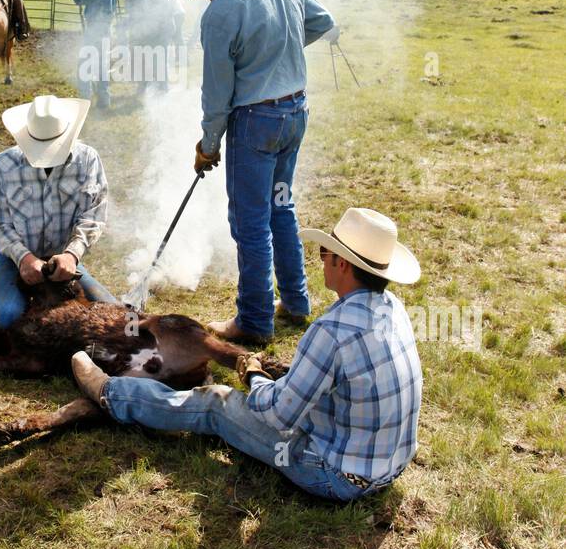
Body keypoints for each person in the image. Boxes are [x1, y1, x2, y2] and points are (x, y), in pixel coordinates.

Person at [71, 207, 422, 502]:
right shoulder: (393, 308)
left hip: (338, 477)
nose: (322, 261)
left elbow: (277, 414)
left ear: (343, 265)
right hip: (388, 465)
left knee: (216, 403)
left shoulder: (332, 331)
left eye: (325, 254)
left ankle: (111, 393)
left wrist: (253, 373)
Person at [166, 0, 338, 344]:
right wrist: (282, 50)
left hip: (256, 123)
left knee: (250, 222)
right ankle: (296, 302)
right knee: (281, 205)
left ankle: (255, 321)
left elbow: (218, 95)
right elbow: (324, 23)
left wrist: (208, 147)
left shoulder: (221, 14)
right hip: (295, 113)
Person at [0, 94, 118, 328]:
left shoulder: (87, 160)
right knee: (6, 318)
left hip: (63, 259)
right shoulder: (1, 167)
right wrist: (24, 257)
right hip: (16, 259)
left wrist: (71, 255)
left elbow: (93, 216)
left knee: (113, 312)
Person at [70, 0, 118, 109]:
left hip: (94, 31)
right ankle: (104, 100)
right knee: (102, 65)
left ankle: (85, 100)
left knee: (84, 65)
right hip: (106, 30)